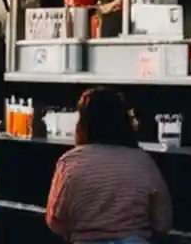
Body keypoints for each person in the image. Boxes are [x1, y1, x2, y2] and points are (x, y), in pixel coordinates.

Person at [45, 87, 172, 244]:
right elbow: (163, 222)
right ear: (125, 122)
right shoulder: (143, 162)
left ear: (83, 123)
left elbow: (55, 221)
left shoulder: (70, 163)